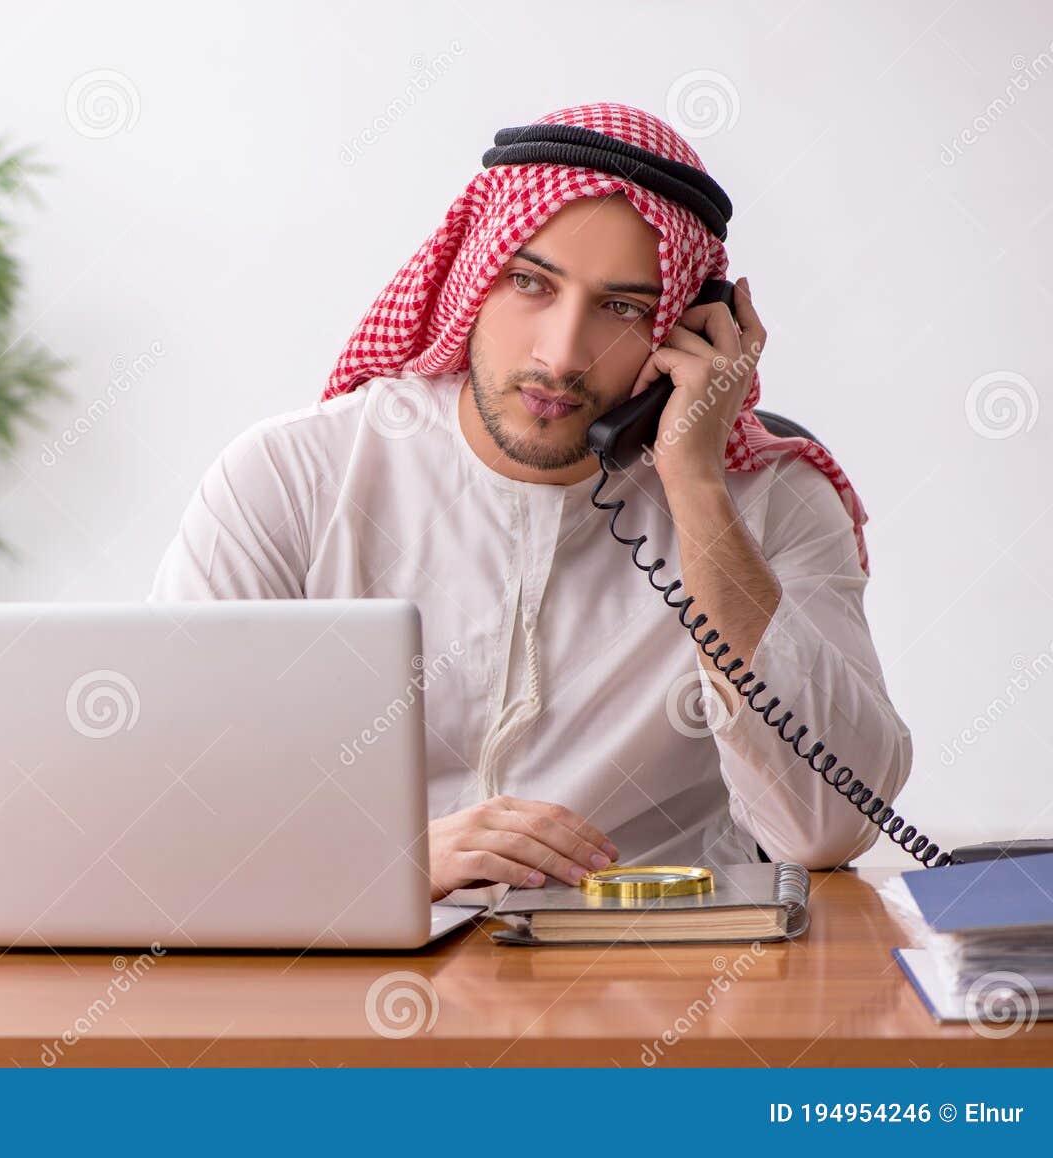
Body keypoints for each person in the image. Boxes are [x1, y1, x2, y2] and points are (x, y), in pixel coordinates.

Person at [147, 102, 911, 903]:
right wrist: (388, 863)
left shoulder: (773, 500)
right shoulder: (293, 475)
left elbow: (827, 826)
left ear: (689, 328)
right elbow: (167, 806)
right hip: (352, 976)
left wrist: (695, 486)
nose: (561, 354)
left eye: (624, 308)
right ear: (471, 277)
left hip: (661, 982)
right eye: (529, 284)